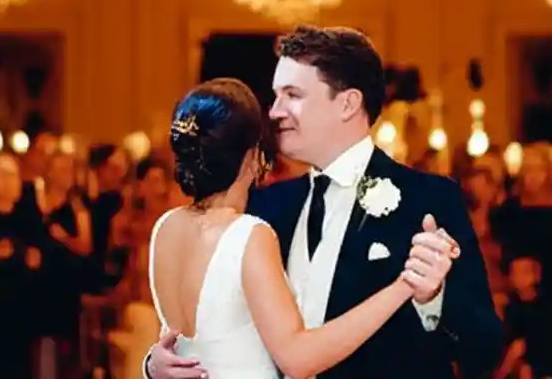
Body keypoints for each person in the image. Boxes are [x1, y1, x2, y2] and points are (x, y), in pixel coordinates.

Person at [148, 25, 501, 379]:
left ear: (347, 103)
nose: (274, 112)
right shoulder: (263, 208)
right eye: (276, 95)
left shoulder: (427, 199)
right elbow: (212, 316)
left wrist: (433, 299)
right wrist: (156, 363)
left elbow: (484, 348)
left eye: (293, 95)